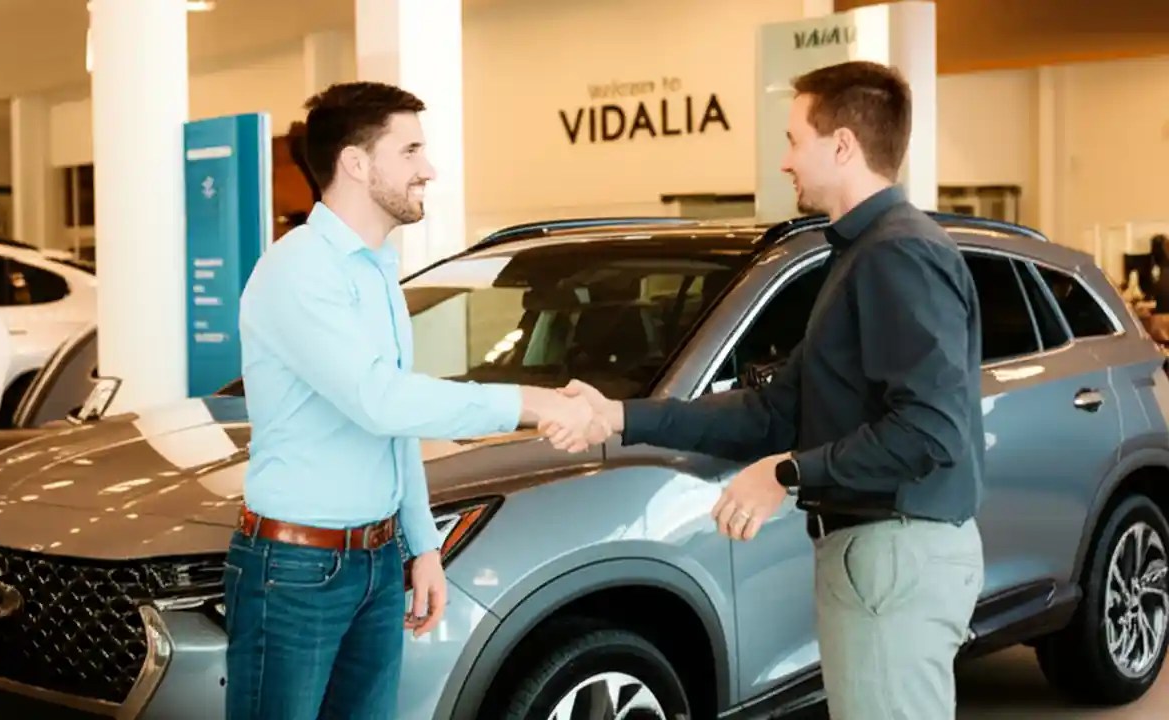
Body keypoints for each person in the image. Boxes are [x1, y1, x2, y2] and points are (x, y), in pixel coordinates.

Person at [563, 61, 985, 720]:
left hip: (894, 551)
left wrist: (787, 473)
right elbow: (774, 411)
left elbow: (928, 431)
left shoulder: (895, 254)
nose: (784, 160)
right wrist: (619, 415)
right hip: (878, 554)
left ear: (842, 145)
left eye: (793, 140)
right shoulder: (861, 253)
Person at [225, 81, 602, 720]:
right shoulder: (298, 269)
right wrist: (532, 402)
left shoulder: (376, 268)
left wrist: (421, 544)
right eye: (410, 151)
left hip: (375, 563)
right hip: (296, 569)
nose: (429, 169)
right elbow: (381, 401)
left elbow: (392, 427)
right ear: (355, 163)